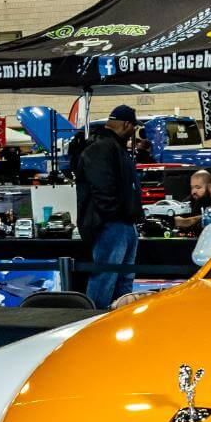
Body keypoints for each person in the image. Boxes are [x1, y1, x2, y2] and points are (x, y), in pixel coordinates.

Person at [76, 105, 144, 309]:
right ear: (126, 124)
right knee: (106, 280)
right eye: (134, 128)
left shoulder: (110, 146)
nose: (135, 133)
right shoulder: (101, 147)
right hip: (111, 224)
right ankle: (93, 323)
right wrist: (117, 214)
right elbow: (102, 189)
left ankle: (116, 320)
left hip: (121, 223)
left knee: (121, 280)